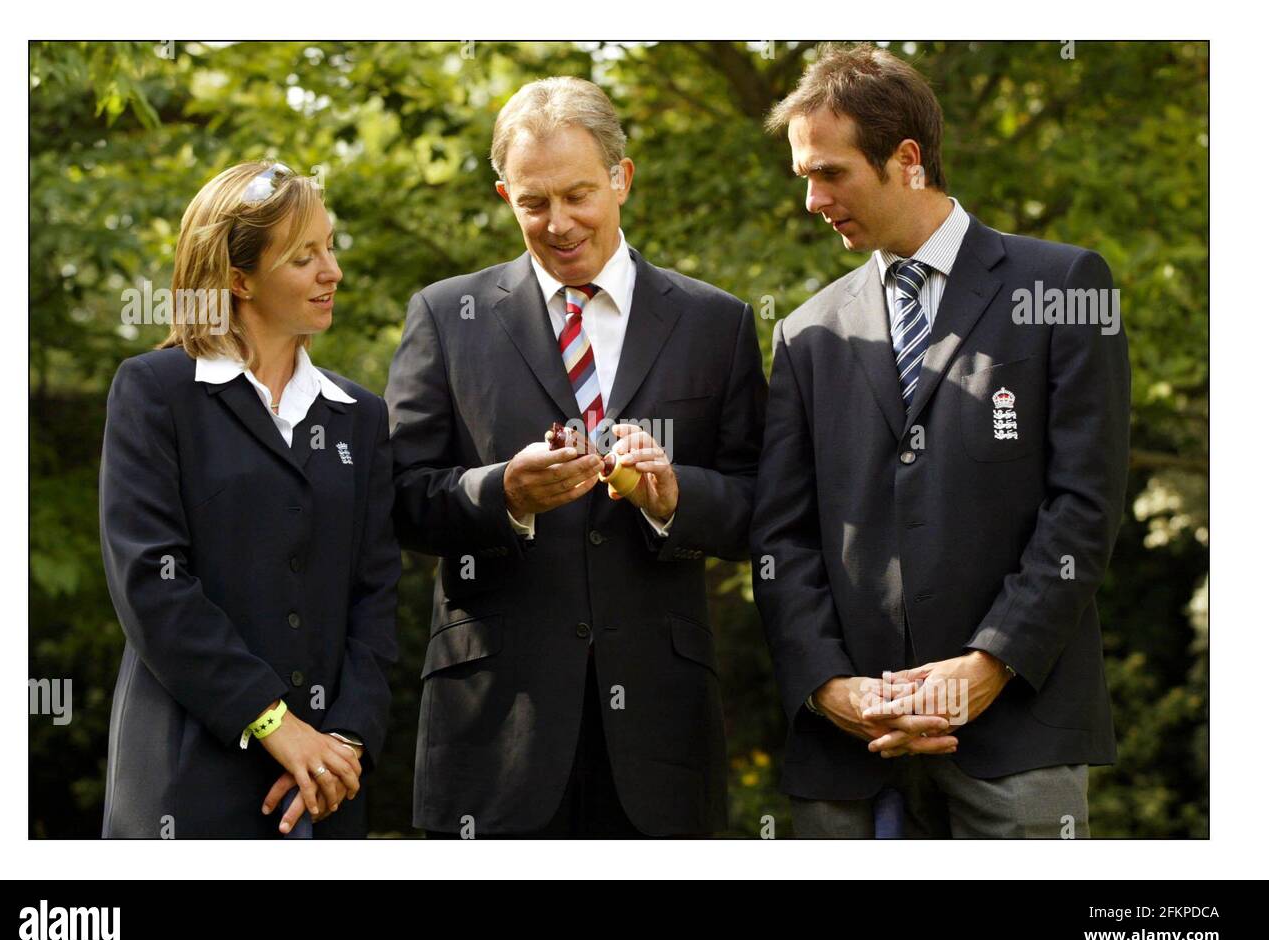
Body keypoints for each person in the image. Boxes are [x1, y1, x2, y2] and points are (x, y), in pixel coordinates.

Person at [751, 45, 1130, 838]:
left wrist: (990, 664)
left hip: (1018, 732)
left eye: (831, 174)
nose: (813, 200)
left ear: (908, 160)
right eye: (805, 179)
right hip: (847, 755)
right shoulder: (805, 333)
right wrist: (827, 686)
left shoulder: (1065, 287)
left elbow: (1085, 505)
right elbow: (780, 534)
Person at [388, 77, 767, 837]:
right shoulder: (446, 317)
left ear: (622, 179)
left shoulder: (713, 323)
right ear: (505, 195)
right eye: (534, 202)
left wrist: (673, 497)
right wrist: (504, 495)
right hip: (496, 732)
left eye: (578, 195)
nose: (558, 223)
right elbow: (400, 498)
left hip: (661, 736)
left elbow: (763, 506)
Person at [99, 161, 400, 838]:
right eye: (305, 257)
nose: (333, 272)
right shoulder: (156, 392)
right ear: (239, 279)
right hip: (187, 781)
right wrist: (273, 723)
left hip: (326, 787)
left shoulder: (361, 415)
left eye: (331, 248)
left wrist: (345, 741)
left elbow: (375, 596)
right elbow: (151, 584)